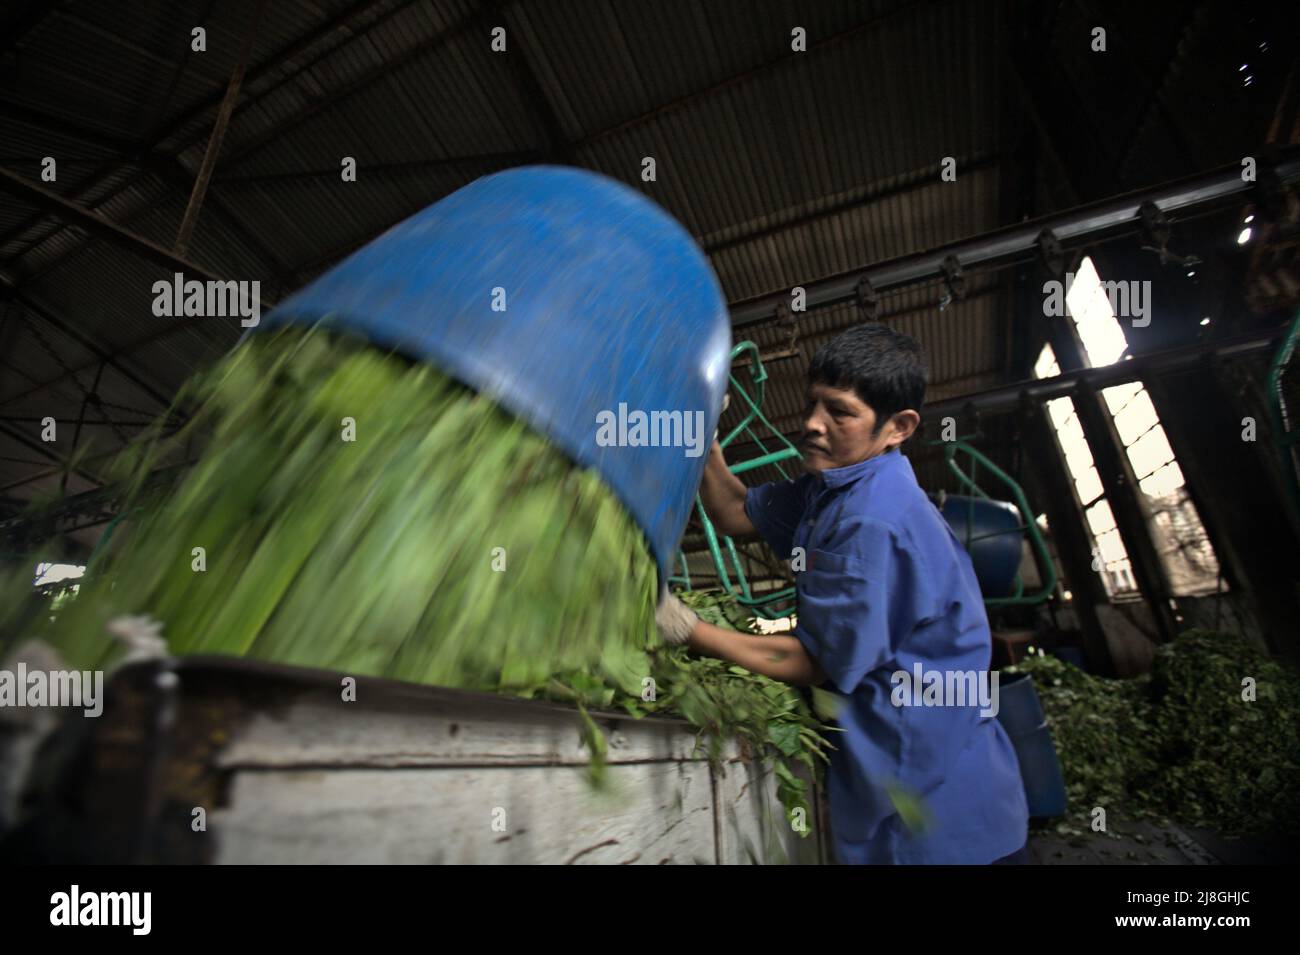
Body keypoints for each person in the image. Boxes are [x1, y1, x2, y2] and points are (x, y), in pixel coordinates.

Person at [656, 323, 1029, 864]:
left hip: (940, 816)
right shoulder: (833, 488)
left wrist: (688, 629)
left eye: (839, 411)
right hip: (905, 769)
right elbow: (735, 512)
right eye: (812, 404)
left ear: (898, 427)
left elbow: (810, 663)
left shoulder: (873, 522)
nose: (811, 424)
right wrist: (706, 439)